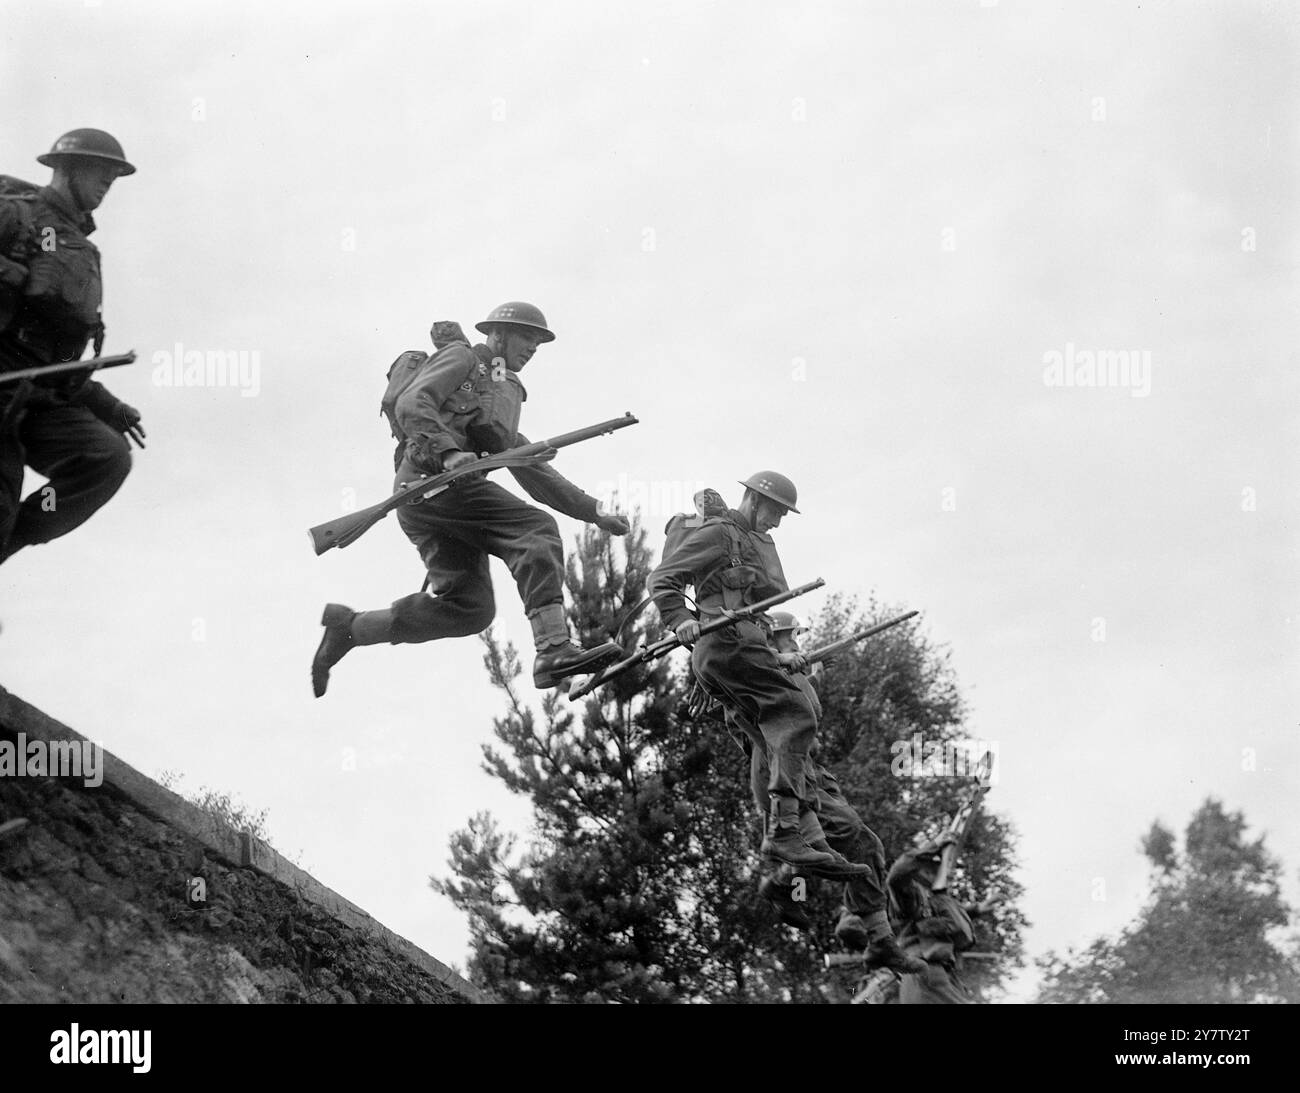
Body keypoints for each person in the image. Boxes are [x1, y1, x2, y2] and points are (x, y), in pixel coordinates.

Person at [312, 302, 629, 696]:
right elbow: (414, 402)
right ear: (497, 334)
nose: (533, 348)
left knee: (471, 609)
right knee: (535, 530)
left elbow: (525, 463)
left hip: (435, 502)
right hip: (432, 484)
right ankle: (552, 648)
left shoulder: (497, 389)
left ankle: (351, 629)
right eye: (527, 337)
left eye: (538, 342)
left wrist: (594, 512)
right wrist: (448, 452)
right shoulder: (462, 359)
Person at [647, 471, 870, 883]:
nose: (777, 521)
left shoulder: (757, 545)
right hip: (725, 644)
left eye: (784, 515)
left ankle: (801, 850)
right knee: (798, 714)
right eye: (775, 511)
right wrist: (679, 619)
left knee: (769, 740)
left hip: (740, 649)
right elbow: (663, 578)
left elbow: (769, 603)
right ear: (752, 498)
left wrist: (783, 656)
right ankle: (784, 831)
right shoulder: (718, 534)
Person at [730, 612, 923, 973]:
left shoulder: (789, 673)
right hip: (781, 768)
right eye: (792, 637)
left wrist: (815, 670)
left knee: (864, 846)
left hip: (809, 771)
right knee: (842, 838)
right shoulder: (750, 676)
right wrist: (785, 668)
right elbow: (759, 713)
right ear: (772, 641)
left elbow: (801, 705)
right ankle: (785, 885)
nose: (798, 642)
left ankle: (879, 940)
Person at [0, 129, 144, 564]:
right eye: (101, 172)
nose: (106, 184)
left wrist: (104, 402)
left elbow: (61, 356)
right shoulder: (13, 214)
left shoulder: (84, 251)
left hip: (38, 394)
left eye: (113, 178)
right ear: (68, 168)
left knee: (106, 458)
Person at [886, 836, 1002, 1003]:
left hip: (936, 975)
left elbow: (942, 921)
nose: (948, 874)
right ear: (924, 872)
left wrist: (978, 909)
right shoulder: (909, 898)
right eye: (939, 869)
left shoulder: (932, 901)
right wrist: (934, 845)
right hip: (925, 975)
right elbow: (895, 878)